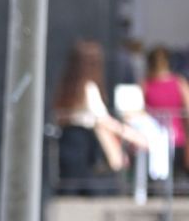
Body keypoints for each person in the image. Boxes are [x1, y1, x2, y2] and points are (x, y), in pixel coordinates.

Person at [52, 40, 147, 195]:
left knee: (69, 190)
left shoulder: (68, 89)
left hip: (69, 143)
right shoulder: (88, 89)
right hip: (81, 145)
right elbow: (103, 120)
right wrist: (134, 136)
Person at [141, 45, 189, 177]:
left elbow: (137, 113)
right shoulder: (180, 83)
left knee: (153, 184)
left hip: (151, 141)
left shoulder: (145, 85)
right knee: (176, 183)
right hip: (178, 139)